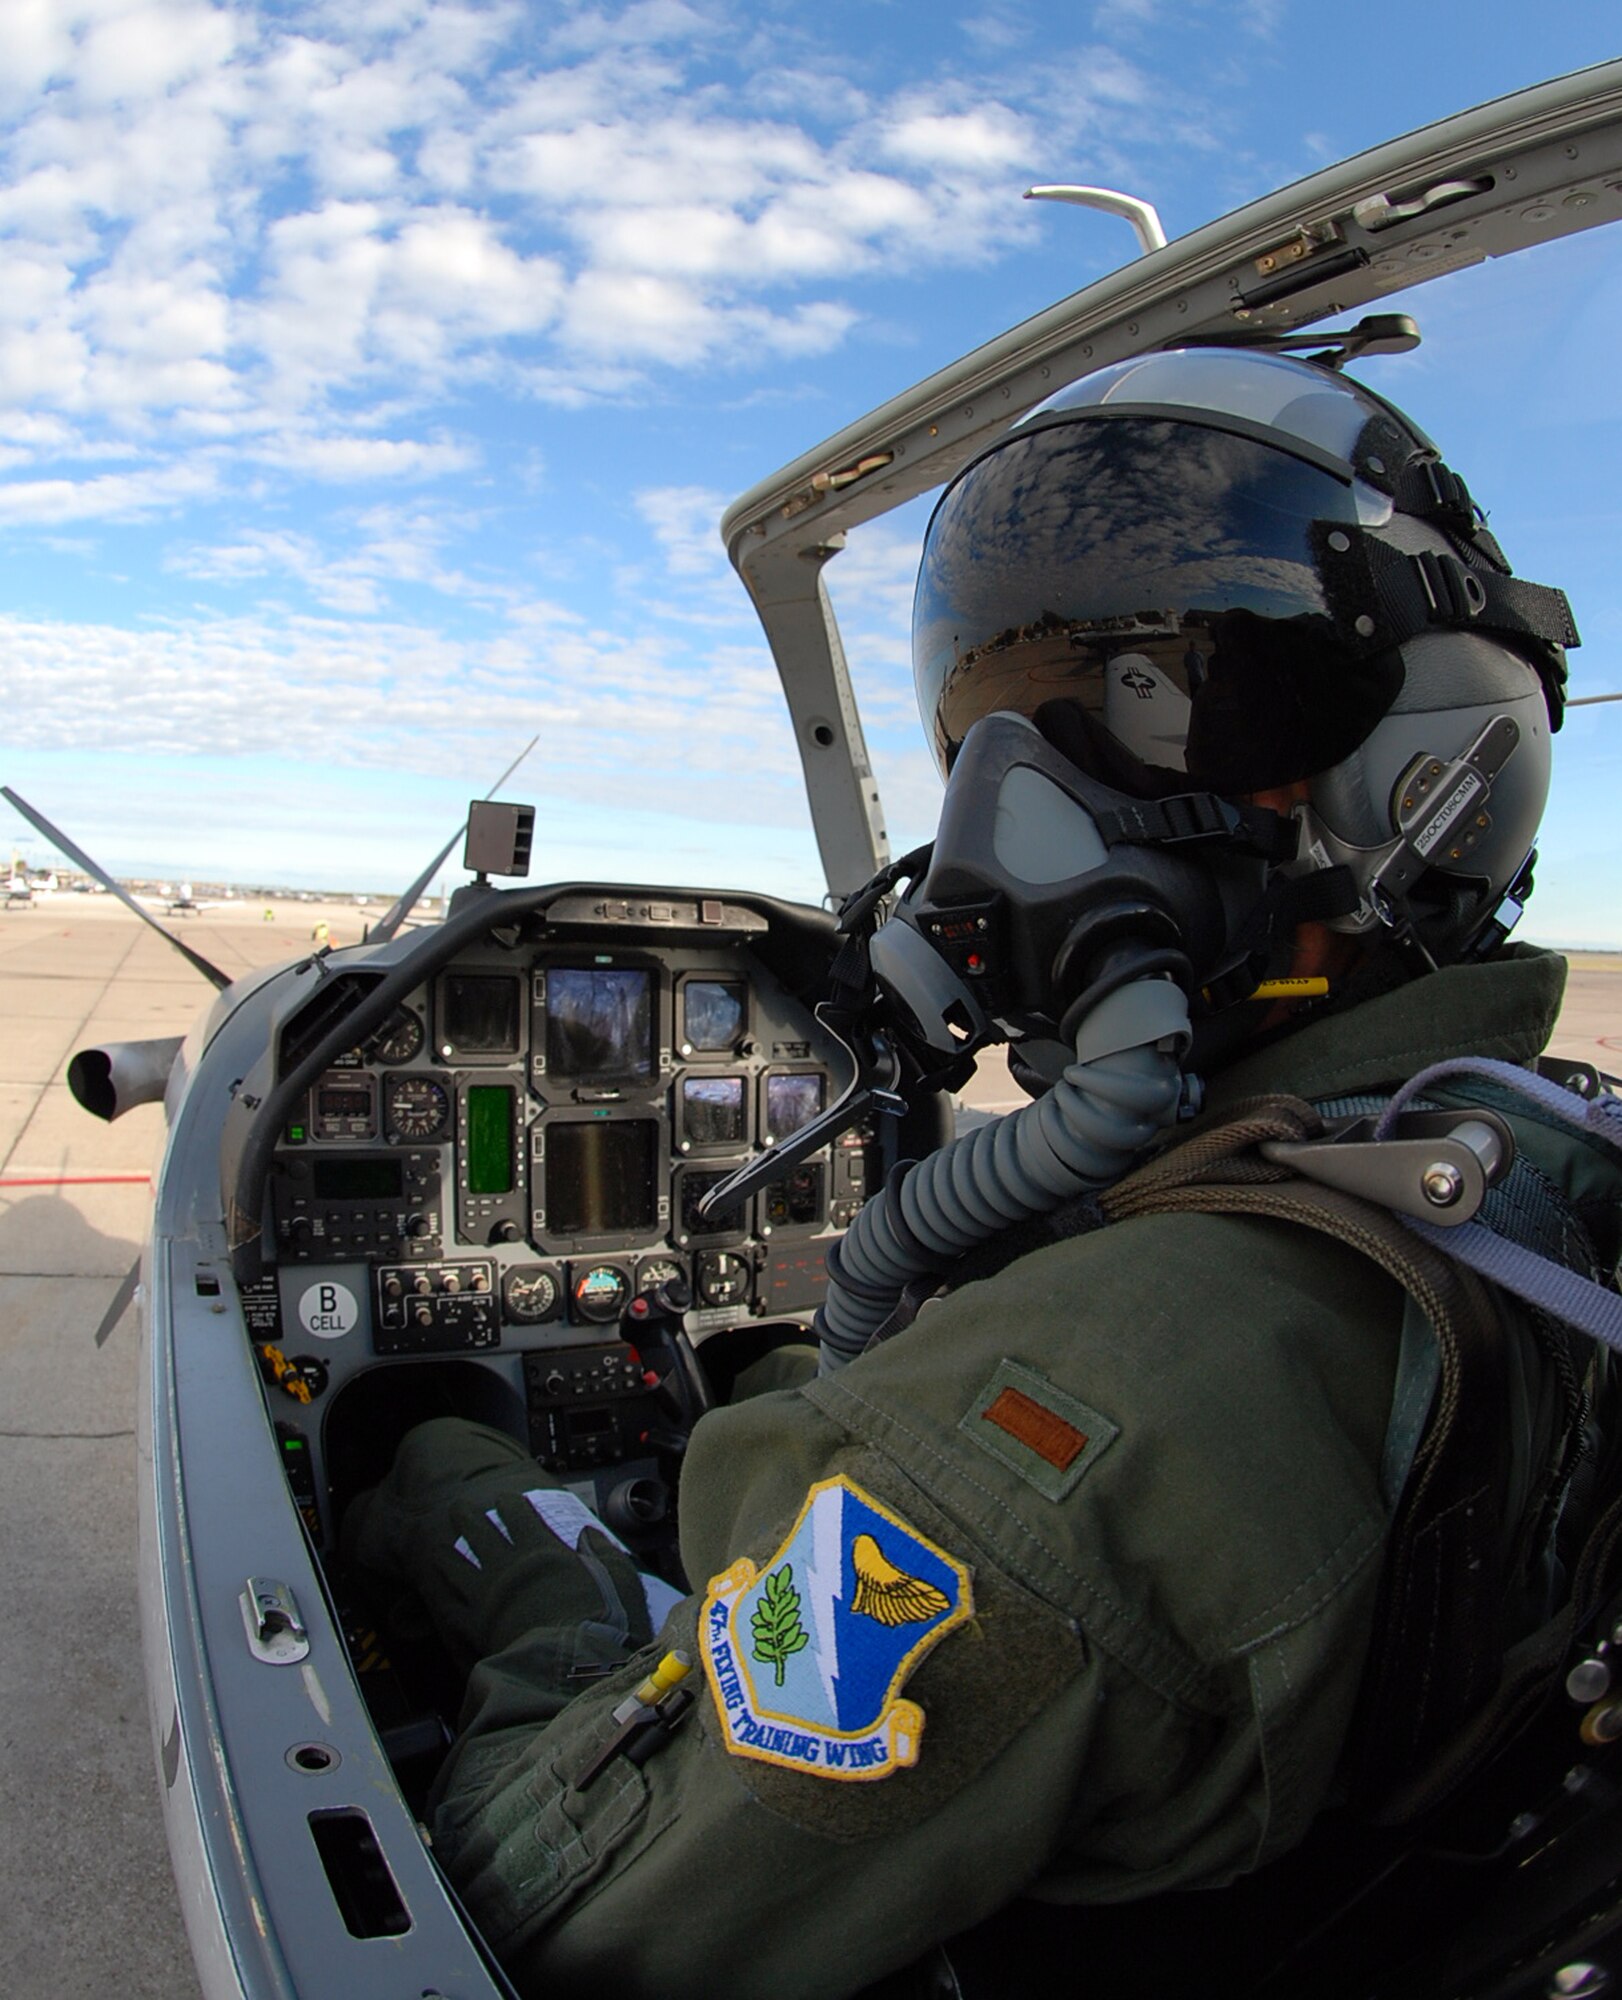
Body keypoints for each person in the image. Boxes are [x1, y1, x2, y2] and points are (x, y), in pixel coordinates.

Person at [345, 348, 1622, 1998]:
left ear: (1428, 780)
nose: (1002, 813)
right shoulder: (1508, 1158)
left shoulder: (1075, 1416)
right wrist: (826, 1398)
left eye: (1140, 706)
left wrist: (513, 1558)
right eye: (989, 732)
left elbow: (550, 1907)